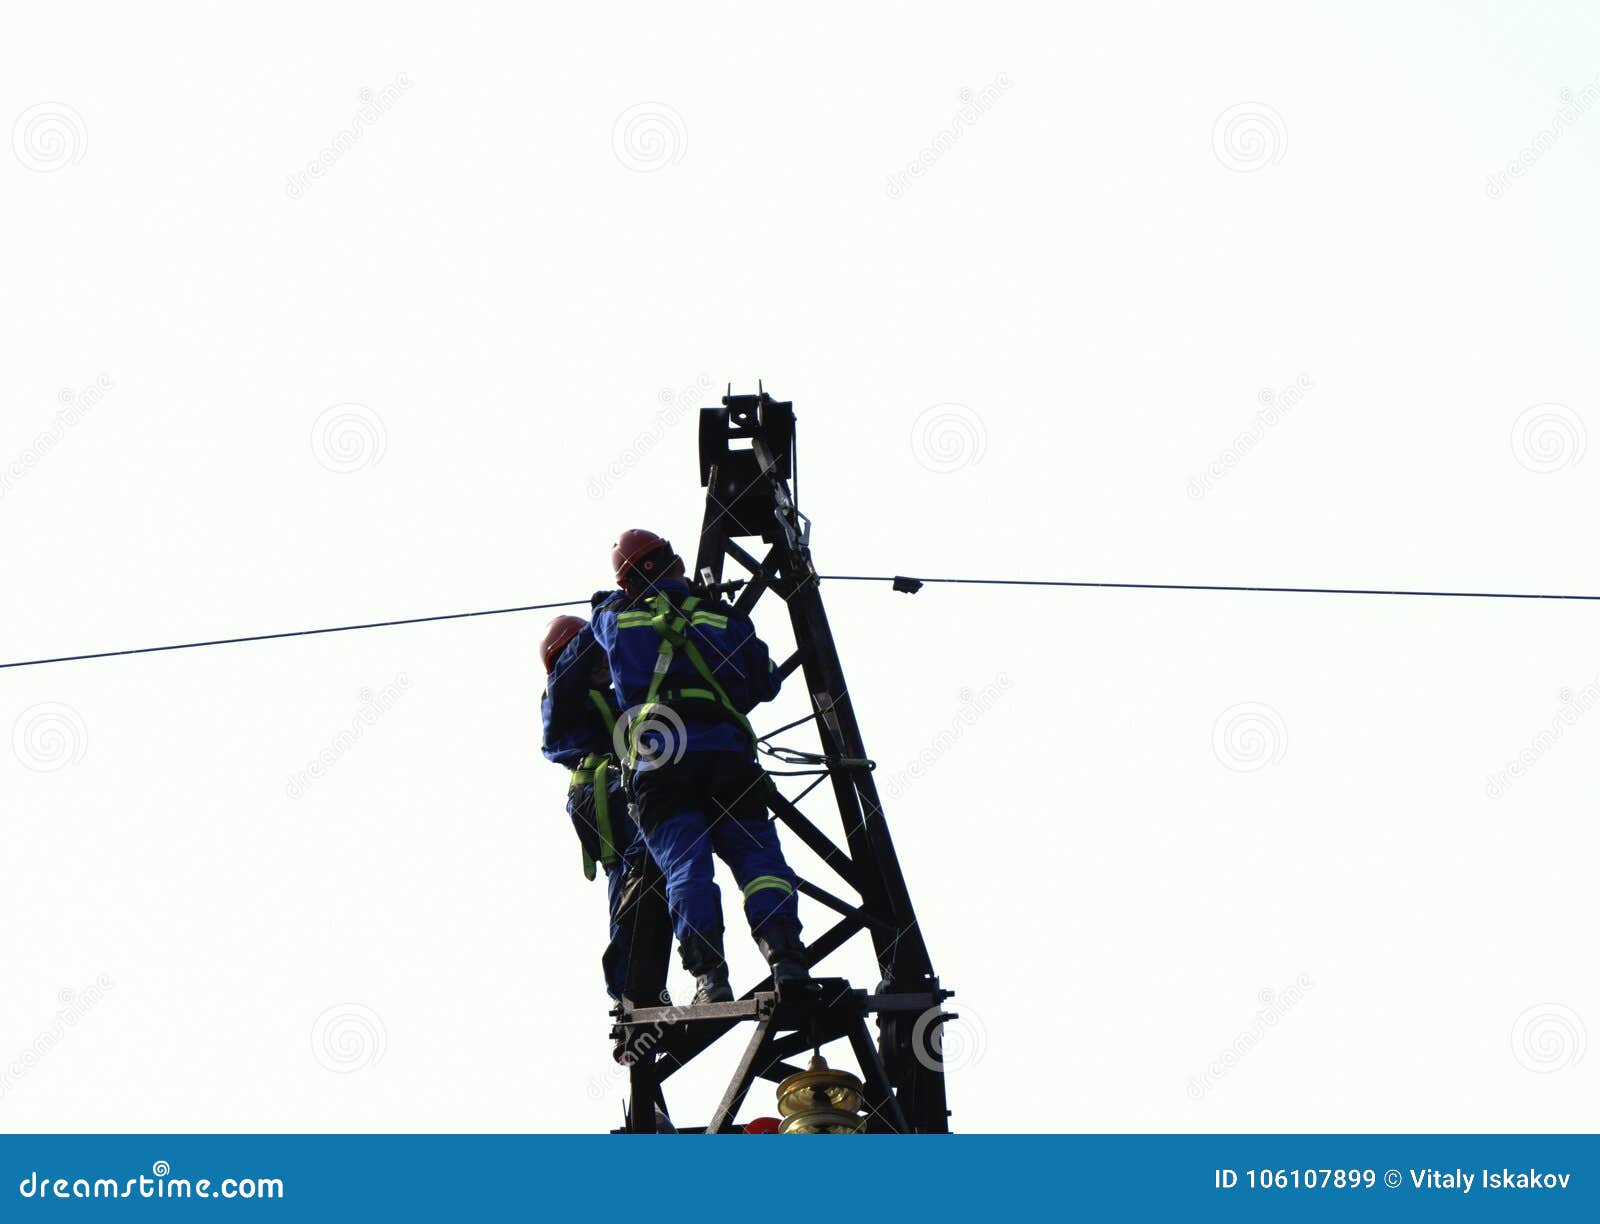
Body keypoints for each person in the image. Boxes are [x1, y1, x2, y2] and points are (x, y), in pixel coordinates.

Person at [591, 528, 811, 1004]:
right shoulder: (722, 617)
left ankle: (710, 978)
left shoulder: (618, 621)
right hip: (727, 758)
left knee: (686, 867)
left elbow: (600, 618)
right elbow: (766, 682)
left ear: (628, 583)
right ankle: (786, 958)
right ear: (676, 563)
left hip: (663, 763)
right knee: (759, 862)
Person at [539, 613, 666, 1005]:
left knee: (643, 875)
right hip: (598, 791)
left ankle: (638, 986)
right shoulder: (561, 694)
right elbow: (573, 661)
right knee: (643, 854)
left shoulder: (613, 695)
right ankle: (626, 979)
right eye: (595, 660)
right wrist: (607, 617)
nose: (602, 667)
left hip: (616, 789)